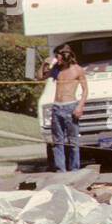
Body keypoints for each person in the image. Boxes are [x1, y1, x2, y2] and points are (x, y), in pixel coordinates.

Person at [37, 42, 88, 172]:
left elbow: (85, 90)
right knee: (57, 141)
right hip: (56, 107)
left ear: (66, 55)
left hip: (70, 106)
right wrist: (44, 64)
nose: (56, 58)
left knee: (73, 142)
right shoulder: (56, 69)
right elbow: (40, 78)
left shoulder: (77, 69)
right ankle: (60, 170)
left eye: (58, 56)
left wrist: (80, 106)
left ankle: (74, 170)